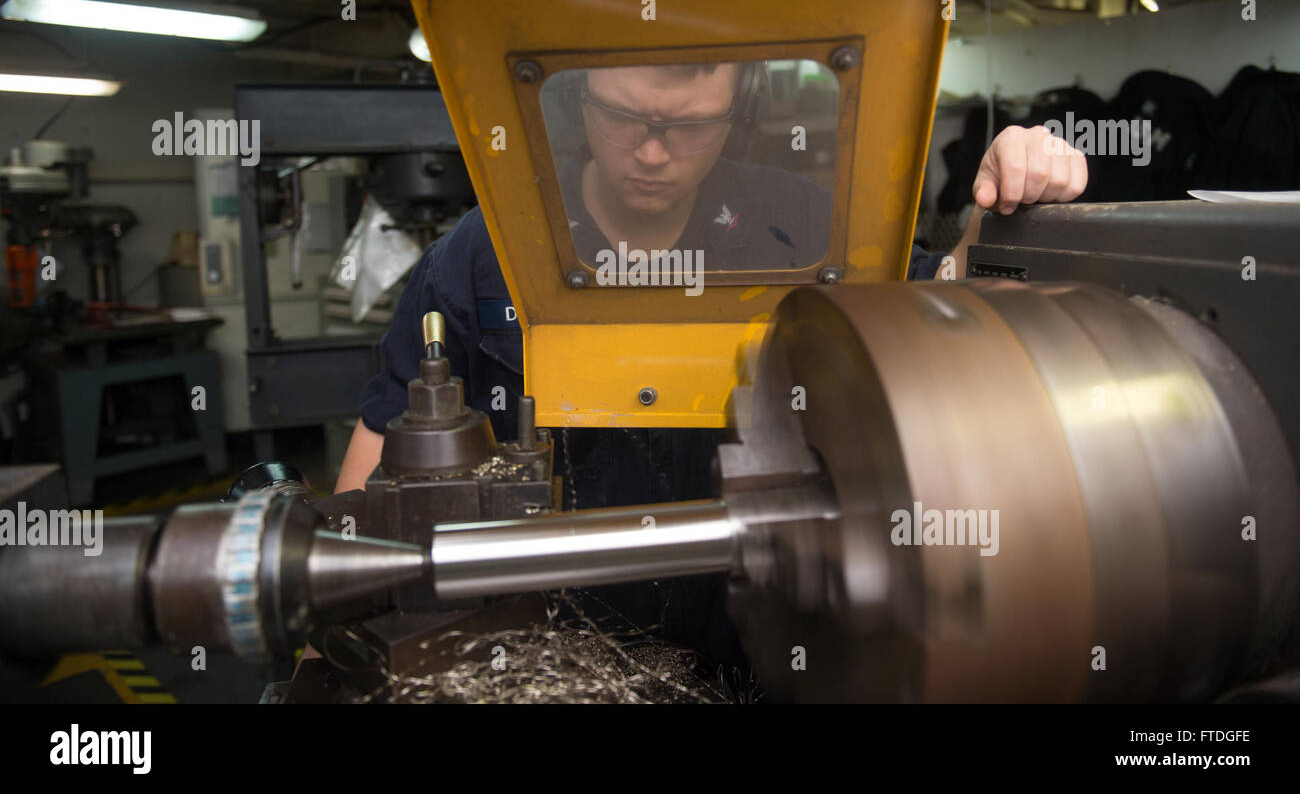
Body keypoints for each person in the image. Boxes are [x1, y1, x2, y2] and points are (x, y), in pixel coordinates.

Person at [333, 60, 1088, 682]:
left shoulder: (802, 230)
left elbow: (940, 308)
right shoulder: (484, 254)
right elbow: (372, 488)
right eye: (624, 118)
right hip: (547, 671)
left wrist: (1007, 203)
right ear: (575, 96)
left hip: (761, 661)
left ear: (739, 107)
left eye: (690, 126)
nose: (653, 152)